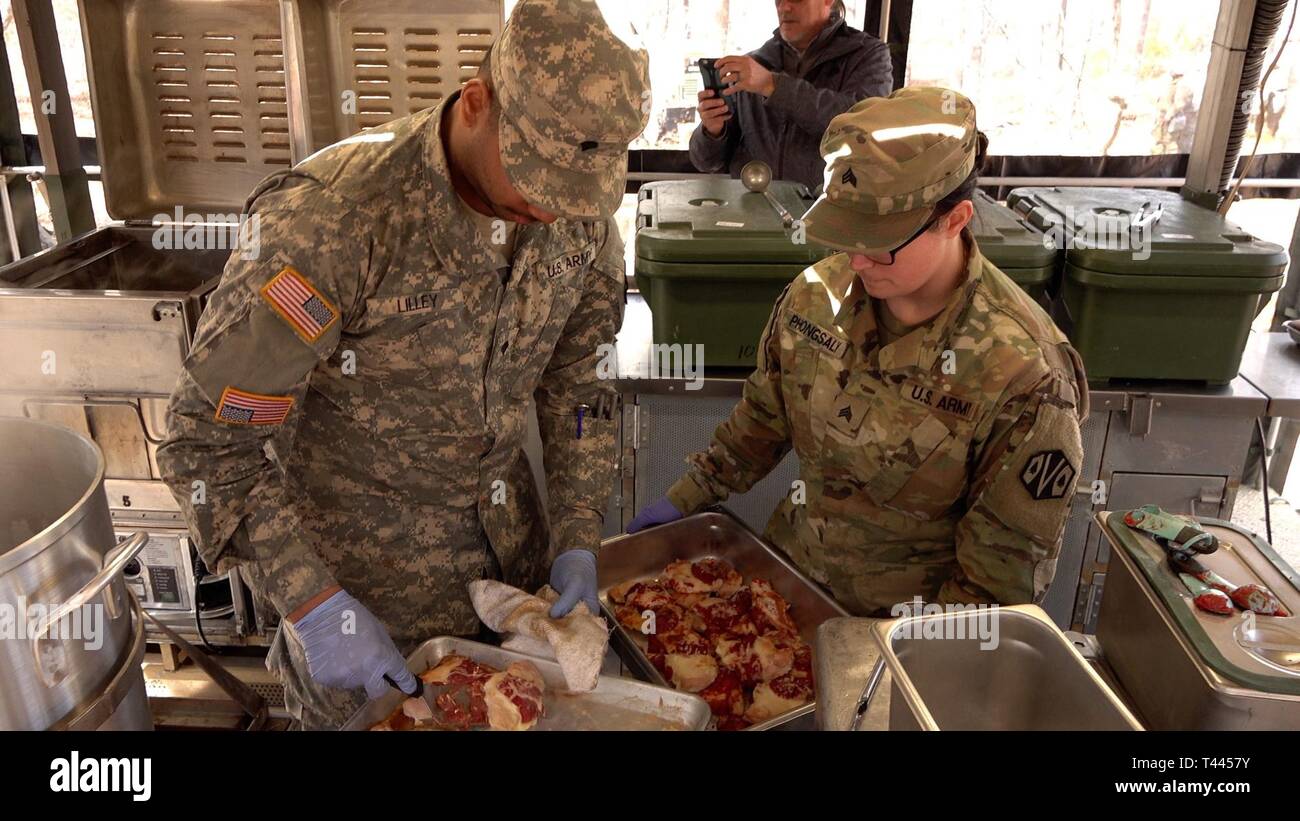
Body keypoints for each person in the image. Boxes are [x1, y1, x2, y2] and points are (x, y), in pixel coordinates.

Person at [156, 0, 650, 728]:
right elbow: (204, 445)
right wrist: (312, 603)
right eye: (535, 185)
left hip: (516, 592)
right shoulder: (335, 223)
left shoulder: (574, 200)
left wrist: (577, 526)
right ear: (477, 103)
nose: (552, 212)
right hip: (367, 612)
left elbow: (580, 376)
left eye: (572, 196)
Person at [632, 88, 1089, 616]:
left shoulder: (1022, 373)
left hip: (903, 638)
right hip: (787, 593)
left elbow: (992, 594)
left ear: (955, 219)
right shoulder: (814, 298)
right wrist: (688, 495)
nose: (857, 260)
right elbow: (760, 424)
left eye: (879, 242)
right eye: (846, 235)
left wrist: (890, 670)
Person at [690, 0, 893, 191]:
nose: (784, 7)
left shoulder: (868, 55)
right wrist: (713, 132)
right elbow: (707, 162)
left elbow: (862, 128)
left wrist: (774, 85)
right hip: (754, 213)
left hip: (829, 212)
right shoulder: (754, 64)